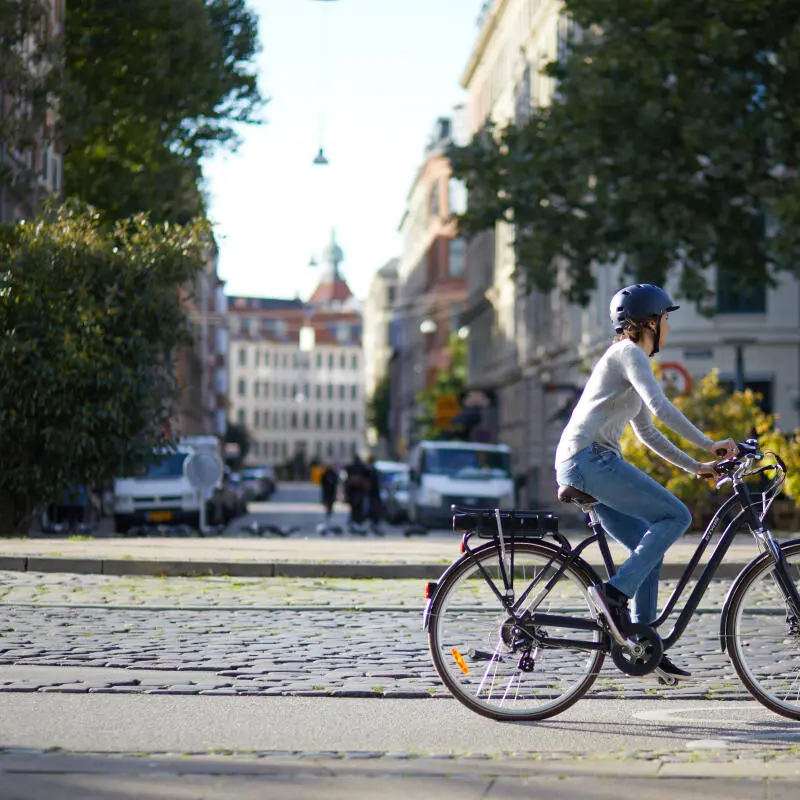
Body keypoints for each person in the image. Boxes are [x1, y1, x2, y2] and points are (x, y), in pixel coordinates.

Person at [554, 283, 738, 681]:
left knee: (647, 548)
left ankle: (643, 646)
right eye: (666, 319)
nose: (669, 327)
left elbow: (647, 432)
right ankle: (614, 594)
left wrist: (696, 465)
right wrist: (710, 444)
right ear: (648, 323)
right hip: (591, 460)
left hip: (583, 462)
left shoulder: (626, 360)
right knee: (676, 516)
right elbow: (659, 405)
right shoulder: (628, 353)